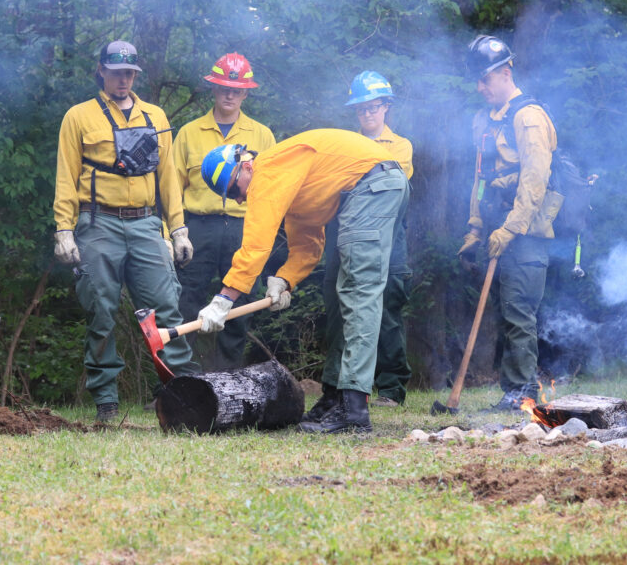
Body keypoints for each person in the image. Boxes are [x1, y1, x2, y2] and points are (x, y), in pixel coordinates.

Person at [197, 130, 409, 434]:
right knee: (336, 292)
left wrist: (223, 300)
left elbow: (256, 246)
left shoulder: (268, 169)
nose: (240, 199)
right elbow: (308, 245)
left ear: (245, 165)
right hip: (368, 191)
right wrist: (285, 280)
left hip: (374, 186)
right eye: (231, 197)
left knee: (358, 291)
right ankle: (336, 396)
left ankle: (354, 409)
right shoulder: (291, 189)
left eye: (234, 189)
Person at [53, 40, 199, 422]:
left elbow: (169, 178)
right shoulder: (79, 117)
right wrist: (63, 230)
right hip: (98, 222)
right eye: (116, 72)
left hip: (148, 223)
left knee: (167, 306)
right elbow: (66, 177)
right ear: (101, 70)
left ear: (136, 75)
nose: (123, 79)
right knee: (100, 307)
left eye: (129, 73)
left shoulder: (154, 116)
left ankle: (178, 391)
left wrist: (178, 229)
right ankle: (106, 401)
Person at [457, 35, 560, 411]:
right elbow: (480, 178)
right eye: (477, 80)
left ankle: (524, 394)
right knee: (506, 311)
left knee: (519, 311)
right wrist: (475, 228)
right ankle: (513, 390)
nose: (480, 87)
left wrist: (510, 229)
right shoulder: (483, 120)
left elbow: (536, 180)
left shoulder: (528, 117)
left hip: (526, 234)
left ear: (504, 72)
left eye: (485, 79)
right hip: (497, 228)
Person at [314, 72, 414, 419]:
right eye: (361, 110)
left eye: (374, 107)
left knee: (386, 310)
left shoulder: (400, 145)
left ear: (386, 107)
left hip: (388, 232)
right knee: (345, 306)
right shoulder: (346, 143)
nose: (368, 115)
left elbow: (387, 182)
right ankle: (350, 385)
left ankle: (392, 385)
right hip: (347, 228)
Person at [173, 53, 276, 370]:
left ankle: (228, 380)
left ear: (246, 93)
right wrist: (174, 233)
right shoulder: (189, 133)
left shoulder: (262, 135)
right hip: (198, 229)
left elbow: (272, 192)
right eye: (223, 88)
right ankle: (178, 381)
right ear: (213, 89)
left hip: (244, 229)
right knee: (186, 300)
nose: (230, 94)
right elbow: (172, 189)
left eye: (237, 89)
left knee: (239, 304)